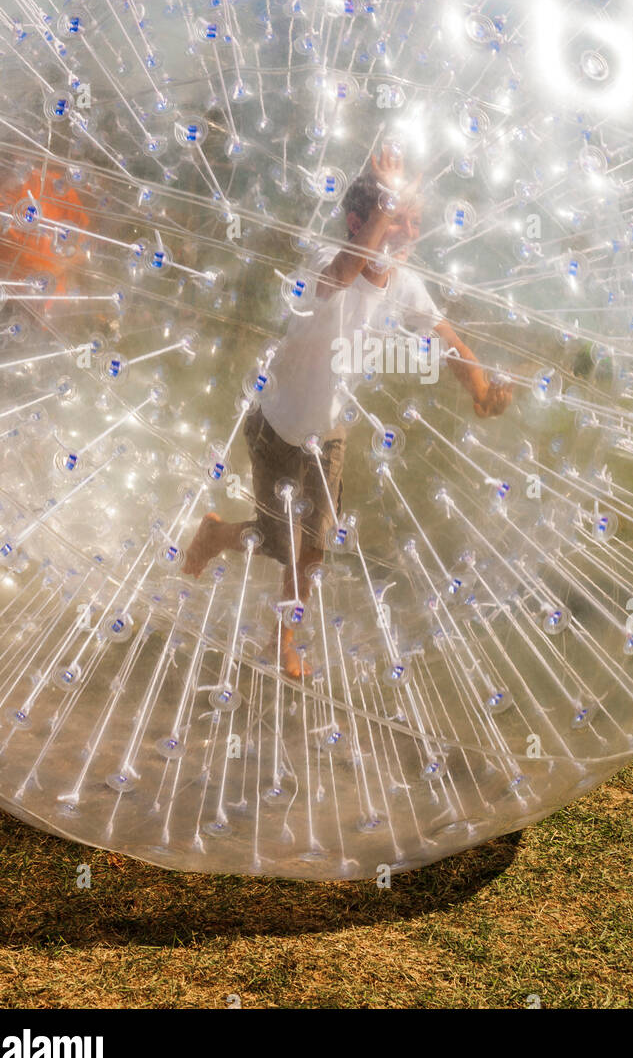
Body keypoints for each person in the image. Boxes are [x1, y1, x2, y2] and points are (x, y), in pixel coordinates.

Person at [182, 145, 512, 676]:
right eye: (393, 218)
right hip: (276, 425)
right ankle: (218, 535)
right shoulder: (326, 264)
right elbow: (343, 268)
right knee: (276, 541)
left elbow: (443, 335)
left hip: (326, 433)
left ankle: (282, 640)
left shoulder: (405, 284)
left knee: (311, 549)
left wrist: (477, 382)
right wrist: (387, 198)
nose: (406, 231)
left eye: (414, 222)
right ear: (359, 221)